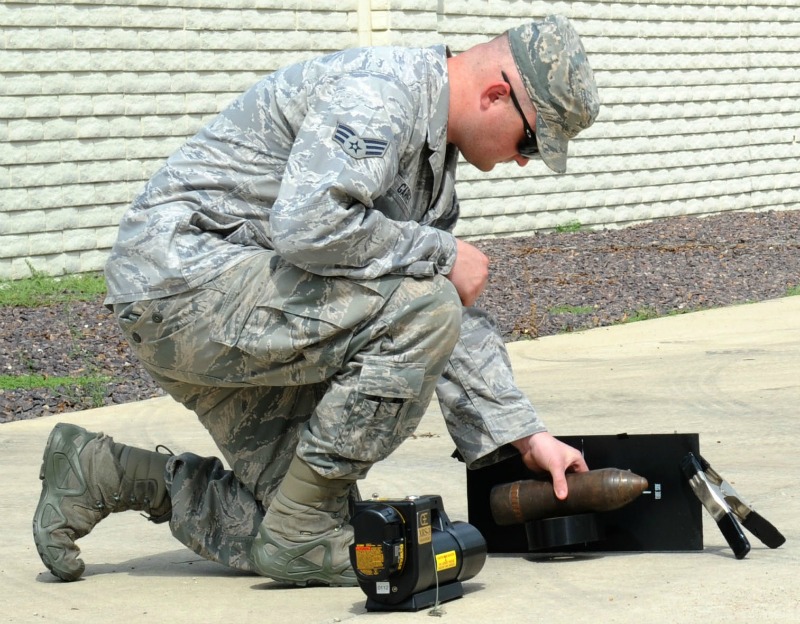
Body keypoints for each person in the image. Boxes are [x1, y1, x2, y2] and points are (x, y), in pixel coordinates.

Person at [33, 14, 599, 587]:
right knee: (423, 306)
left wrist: (526, 436)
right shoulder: (382, 95)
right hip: (186, 286)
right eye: (530, 139)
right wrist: (442, 251)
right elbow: (312, 228)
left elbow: (442, 310)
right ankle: (301, 526)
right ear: (495, 94)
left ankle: (105, 472)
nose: (524, 159)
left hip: (241, 310)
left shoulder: (433, 162)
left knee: (289, 532)